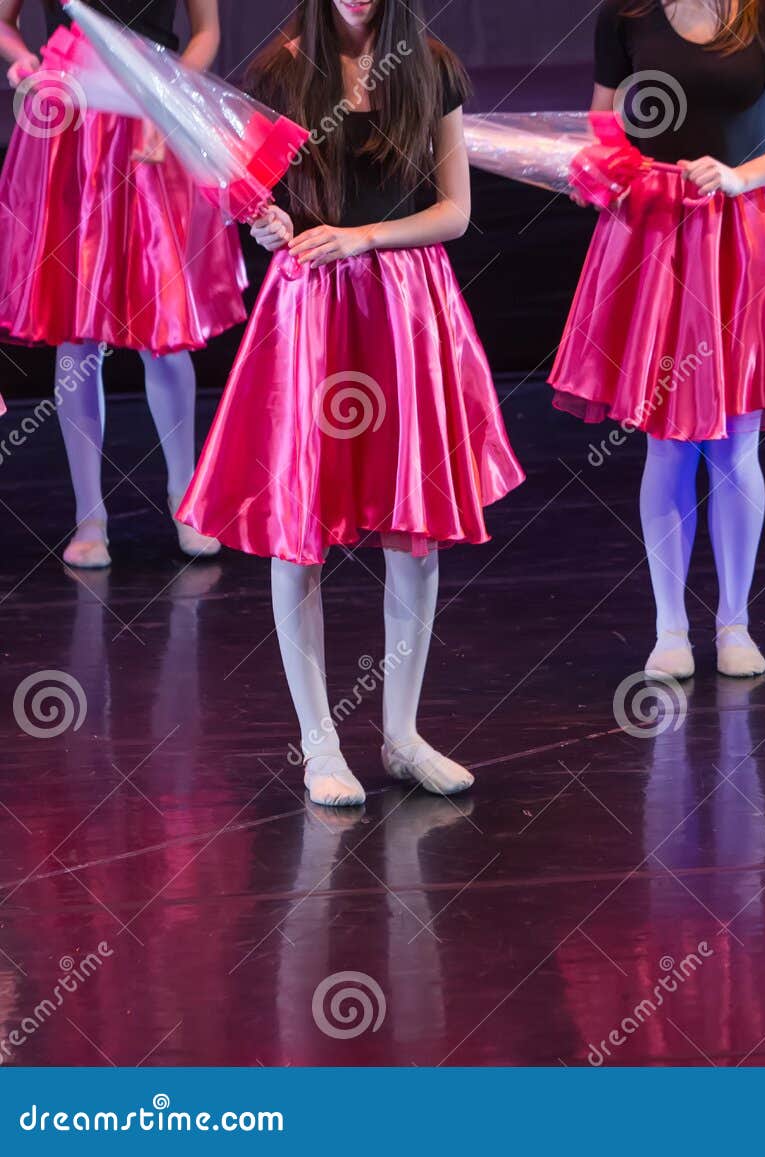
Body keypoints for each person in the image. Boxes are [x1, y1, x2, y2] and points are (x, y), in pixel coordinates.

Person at [176, 0, 524, 807]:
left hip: (405, 312)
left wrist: (362, 238)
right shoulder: (278, 70)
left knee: (416, 525)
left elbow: (455, 212)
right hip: (309, 314)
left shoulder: (432, 65)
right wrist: (268, 222)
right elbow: (251, 190)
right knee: (298, 531)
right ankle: (319, 742)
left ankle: (402, 734)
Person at [548, 0, 765, 680]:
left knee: (735, 438)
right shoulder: (627, 12)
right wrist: (606, 171)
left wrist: (741, 176)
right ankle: (671, 625)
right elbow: (604, 123)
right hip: (655, 233)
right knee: (667, 440)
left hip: (745, 234)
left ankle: (734, 620)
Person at [0, 0, 244, 568]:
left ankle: (186, 499)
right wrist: (27, 63)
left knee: (163, 324)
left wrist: (171, 101)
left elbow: (205, 32)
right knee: (76, 326)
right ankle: (90, 517)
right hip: (72, 124)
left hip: (149, 109)